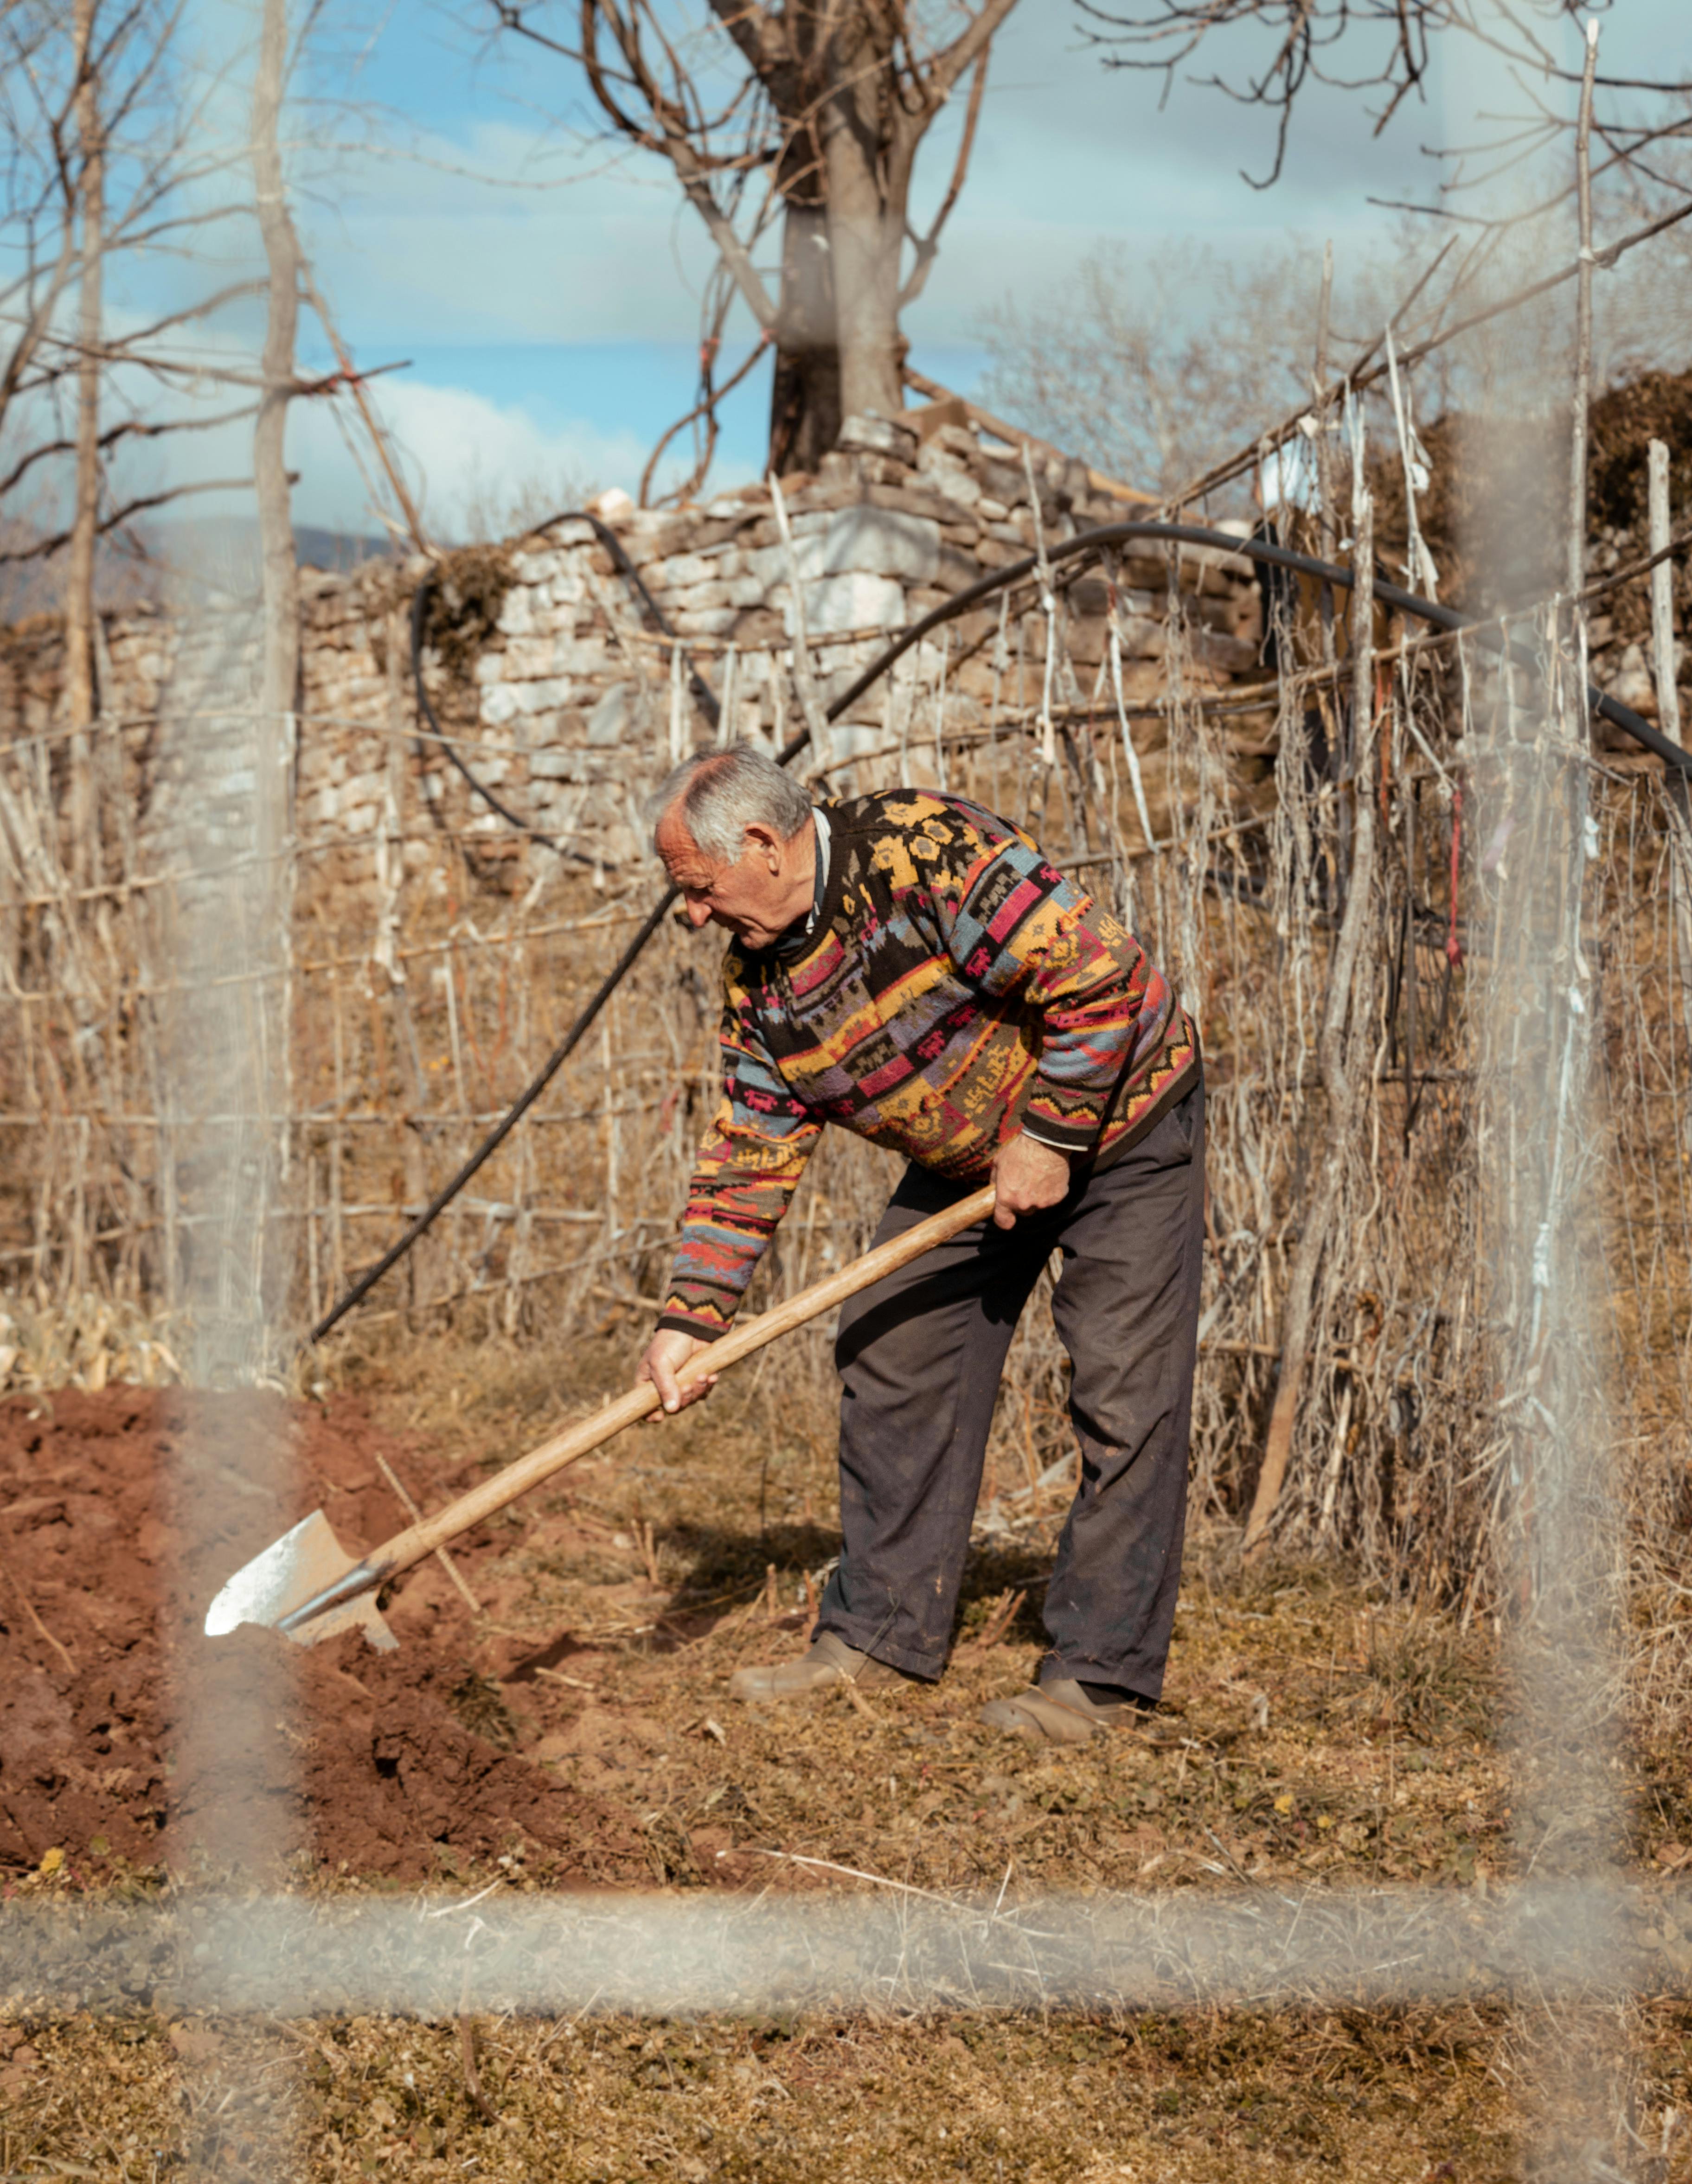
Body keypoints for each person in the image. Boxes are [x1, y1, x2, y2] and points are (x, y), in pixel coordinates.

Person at [637, 747, 1204, 1744]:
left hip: (1121, 1122)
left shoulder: (922, 851)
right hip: (969, 1162)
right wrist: (693, 1317)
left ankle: (1102, 1675)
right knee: (892, 1353)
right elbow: (751, 1149)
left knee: (1123, 1389)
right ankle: (881, 1633)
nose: (690, 915)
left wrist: (1053, 1131)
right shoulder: (760, 984)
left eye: (696, 888)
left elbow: (1102, 976)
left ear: (762, 845)